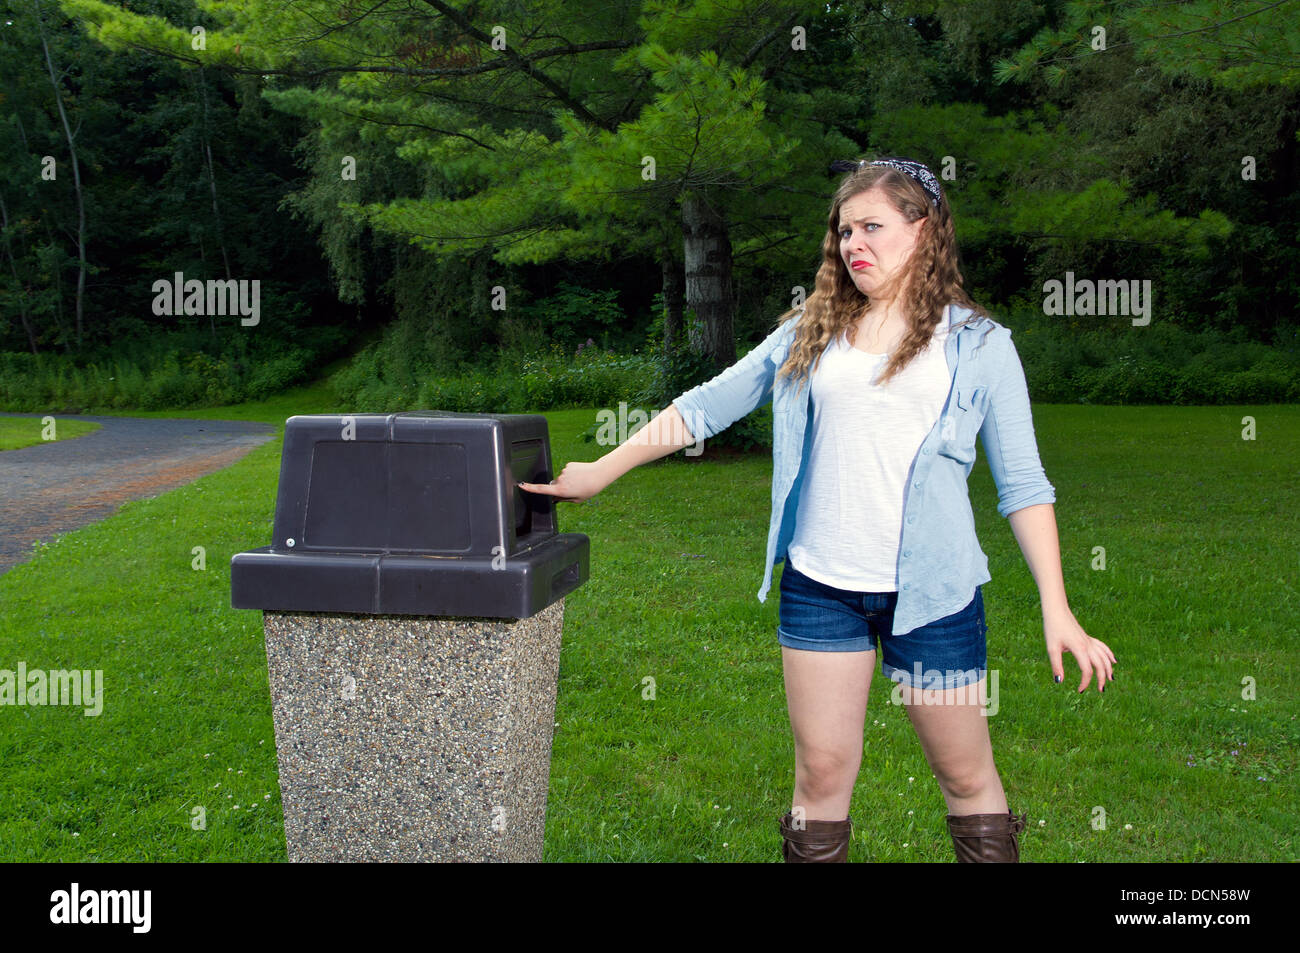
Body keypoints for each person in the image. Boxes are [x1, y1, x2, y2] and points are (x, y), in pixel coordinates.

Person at [517, 157, 1116, 863]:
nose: (851, 243)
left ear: (923, 231)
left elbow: (1024, 484)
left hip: (936, 598)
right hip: (820, 589)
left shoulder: (980, 345)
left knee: (964, 774)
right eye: (843, 230)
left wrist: (1058, 604)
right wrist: (605, 469)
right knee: (822, 774)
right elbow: (710, 402)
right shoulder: (813, 329)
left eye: (871, 227)